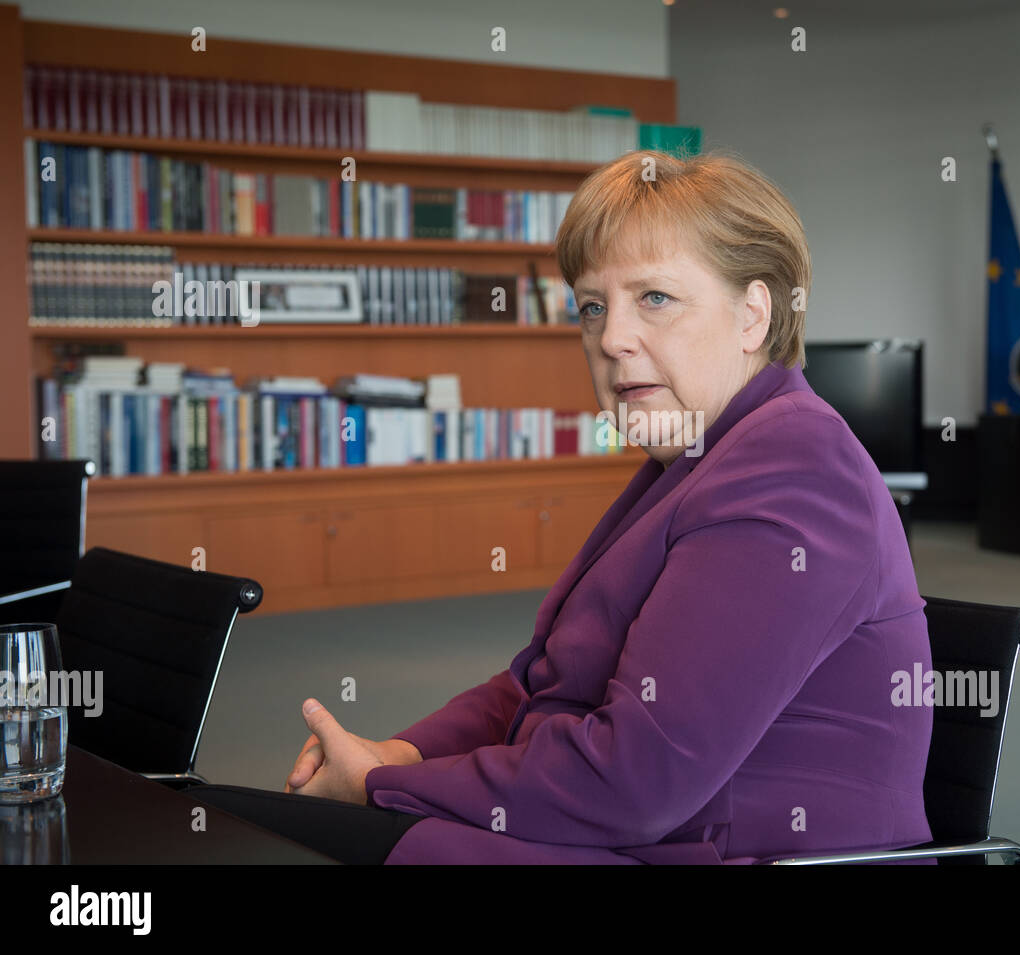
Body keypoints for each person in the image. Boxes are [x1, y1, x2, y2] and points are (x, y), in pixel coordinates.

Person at [189, 149, 934, 864]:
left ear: (753, 315)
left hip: (703, 852)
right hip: (620, 836)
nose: (611, 338)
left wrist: (383, 788)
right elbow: (536, 683)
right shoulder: (697, 457)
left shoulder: (793, 464)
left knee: (223, 841)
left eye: (655, 298)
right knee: (220, 828)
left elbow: (635, 781)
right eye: (591, 306)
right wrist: (397, 753)